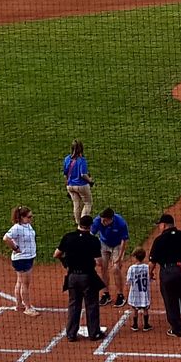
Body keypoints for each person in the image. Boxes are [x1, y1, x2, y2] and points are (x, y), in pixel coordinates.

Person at [55, 213, 105, 342]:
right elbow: (99, 262)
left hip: (72, 277)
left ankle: (71, 334)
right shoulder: (93, 240)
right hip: (87, 277)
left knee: (74, 305)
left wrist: (66, 262)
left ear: (79, 224)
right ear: (90, 226)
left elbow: (57, 254)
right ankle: (94, 333)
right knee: (92, 305)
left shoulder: (68, 237)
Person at [149, 212, 181, 336]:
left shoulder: (159, 240)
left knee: (171, 301)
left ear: (164, 225)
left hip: (168, 274)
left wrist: (150, 273)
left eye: (160, 225)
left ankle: (177, 329)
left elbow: (152, 262)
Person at [4, 205, 39, 316]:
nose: (31, 218)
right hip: (22, 259)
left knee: (20, 281)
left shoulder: (26, 225)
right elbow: (6, 238)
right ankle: (27, 308)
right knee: (25, 284)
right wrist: (15, 248)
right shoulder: (17, 228)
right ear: (21, 217)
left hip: (27, 257)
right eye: (29, 217)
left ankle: (19, 304)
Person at [93, 207, 129, 304]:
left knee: (116, 268)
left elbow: (124, 240)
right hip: (104, 244)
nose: (102, 222)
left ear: (111, 219)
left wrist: (119, 256)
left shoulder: (120, 222)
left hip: (117, 246)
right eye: (102, 219)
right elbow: (90, 237)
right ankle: (106, 294)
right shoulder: (97, 221)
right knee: (103, 268)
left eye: (105, 220)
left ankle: (120, 295)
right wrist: (95, 254)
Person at [62, 140, 93, 221]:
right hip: (81, 185)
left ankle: (78, 223)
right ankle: (84, 223)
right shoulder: (82, 160)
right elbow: (83, 174)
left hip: (70, 186)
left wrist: (67, 185)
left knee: (76, 204)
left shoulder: (67, 159)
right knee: (87, 203)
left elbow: (65, 174)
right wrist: (90, 180)